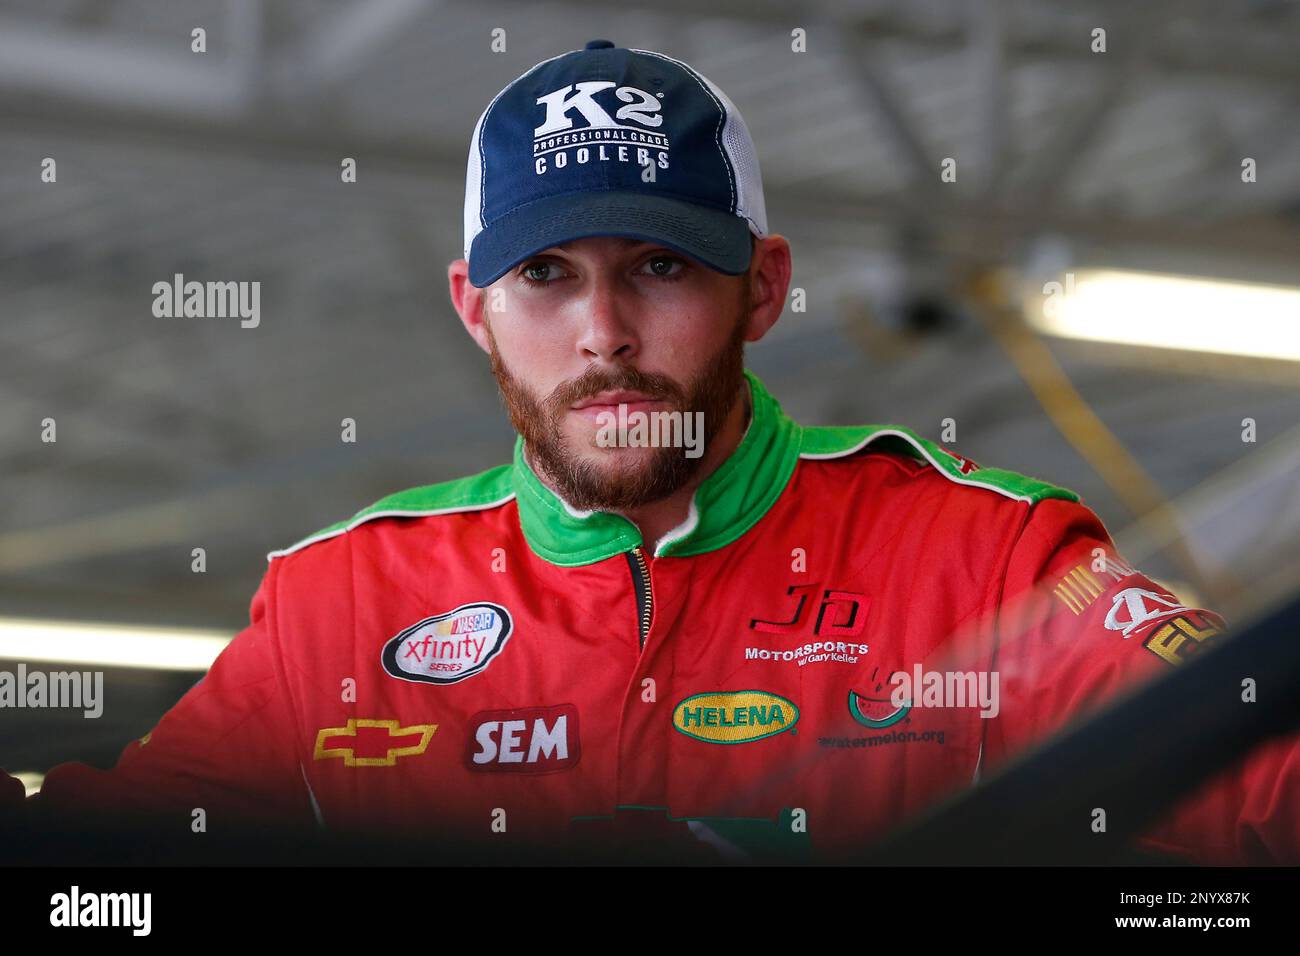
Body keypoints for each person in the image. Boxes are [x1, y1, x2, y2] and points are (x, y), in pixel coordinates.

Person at [3, 40, 1296, 864]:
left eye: (662, 267)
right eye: (547, 276)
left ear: (765, 287)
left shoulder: (983, 554)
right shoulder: (343, 601)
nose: (604, 335)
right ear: (473, 307)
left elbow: (1261, 782)